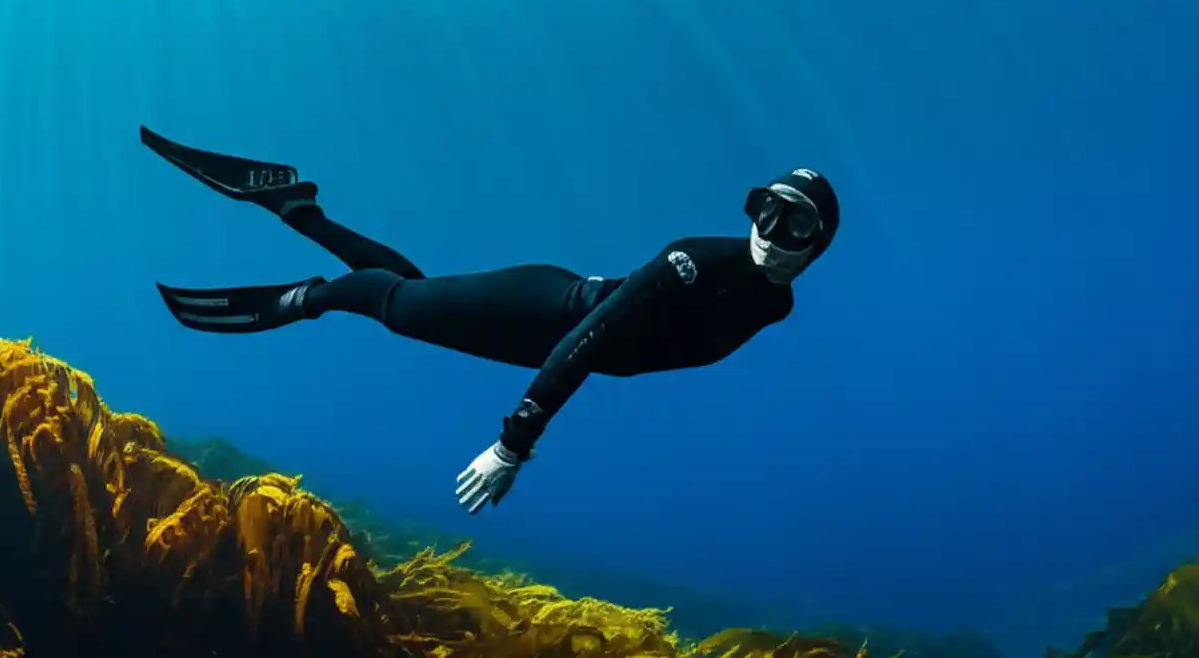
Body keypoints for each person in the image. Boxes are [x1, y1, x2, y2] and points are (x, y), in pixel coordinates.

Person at [139, 126, 840, 515]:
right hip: (547, 311)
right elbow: (591, 340)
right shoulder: (691, 260)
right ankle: (311, 296)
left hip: (551, 325)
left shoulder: (774, 302)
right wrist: (512, 446)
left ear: (818, 244)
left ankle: (298, 207)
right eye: (764, 209)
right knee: (399, 306)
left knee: (413, 294)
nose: (770, 231)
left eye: (794, 222)